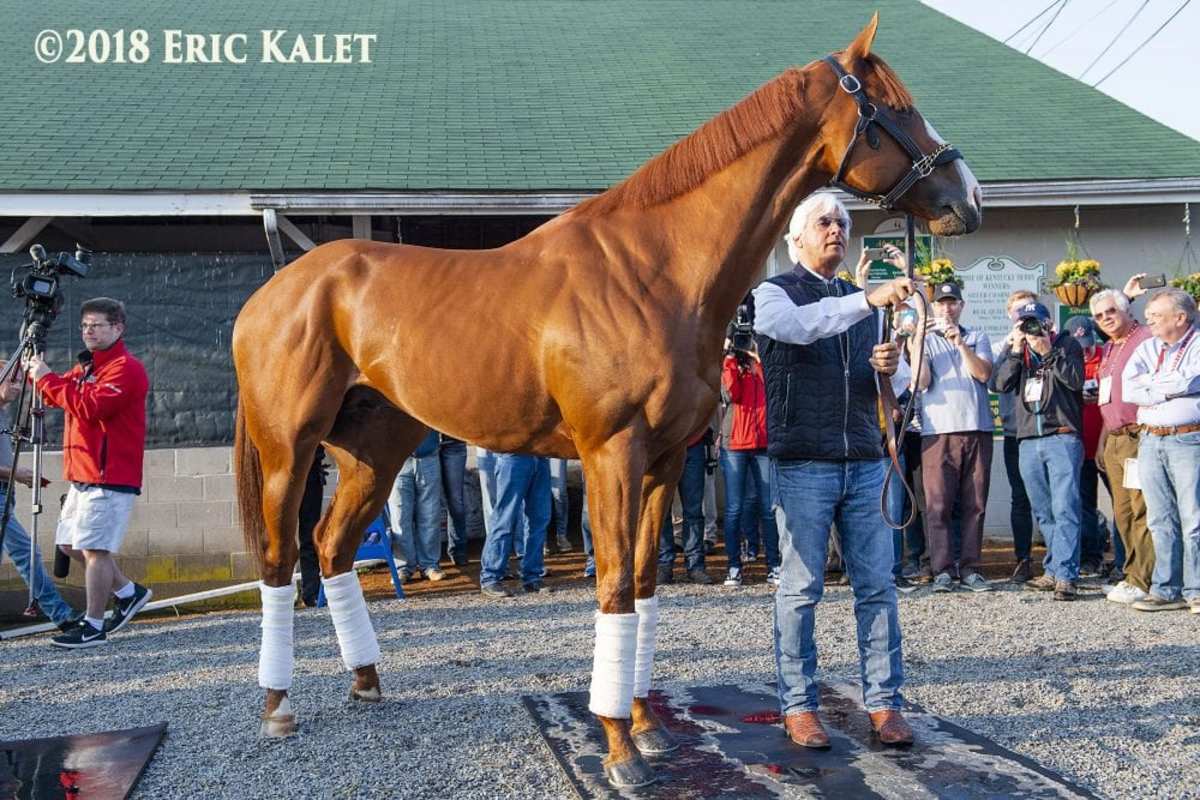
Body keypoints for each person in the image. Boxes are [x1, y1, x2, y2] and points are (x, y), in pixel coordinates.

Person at [753, 192, 919, 749]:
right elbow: (801, 327)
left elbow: (891, 386)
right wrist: (866, 300)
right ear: (796, 237)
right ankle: (799, 706)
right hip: (804, 459)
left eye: (843, 222)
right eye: (824, 221)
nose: (837, 229)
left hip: (865, 459)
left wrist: (890, 368)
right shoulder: (774, 293)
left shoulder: (861, 302)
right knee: (801, 589)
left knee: (878, 587)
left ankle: (885, 702)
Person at [28, 298, 150, 648]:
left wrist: (46, 377)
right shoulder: (86, 367)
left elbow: (90, 406)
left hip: (109, 475)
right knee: (69, 544)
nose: (88, 331)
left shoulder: (126, 369)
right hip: (82, 474)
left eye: (96, 325)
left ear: (118, 328)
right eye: (84, 326)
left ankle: (94, 624)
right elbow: (57, 395)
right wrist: (34, 375)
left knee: (95, 549)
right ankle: (127, 593)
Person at [992, 300, 1085, 600]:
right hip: (1029, 440)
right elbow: (999, 384)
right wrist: (1016, 350)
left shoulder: (1067, 345)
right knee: (1043, 511)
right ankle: (1053, 569)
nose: (1031, 328)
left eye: (1036, 322)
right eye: (1025, 323)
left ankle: (1066, 575)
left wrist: (1047, 352)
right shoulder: (1017, 351)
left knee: (1065, 507)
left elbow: (1074, 380)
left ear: (1049, 324)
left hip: (1062, 436)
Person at [1122, 289, 1200, 614]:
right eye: (1149, 316)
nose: (1150, 321)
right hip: (1150, 440)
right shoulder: (1147, 346)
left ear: (1180, 318)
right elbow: (1129, 388)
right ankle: (1166, 589)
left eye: (1156, 316)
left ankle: (1196, 590)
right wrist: (1167, 388)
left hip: (1188, 440)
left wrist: (1152, 384)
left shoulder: (1197, 344)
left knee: (1193, 518)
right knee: (1159, 518)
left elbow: (1191, 380)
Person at [914, 282, 994, 594]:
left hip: (977, 429)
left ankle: (971, 568)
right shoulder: (925, 340)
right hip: (938, 433)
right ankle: (942, 570)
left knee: (975, 504)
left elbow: (983, 373)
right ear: (934, 307)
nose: (946, 308)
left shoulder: (977, 336)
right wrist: (917, 339)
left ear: (961, 306)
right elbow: (921, 382)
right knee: (938, 505)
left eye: (952, 303)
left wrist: (960, 344)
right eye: (941, 303)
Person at [0, 363, 79, 631]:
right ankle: (61, 614)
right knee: (26, 552)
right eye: (12, 381)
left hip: (5, 494)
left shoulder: (3, 414)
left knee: (25, 553)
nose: (17, 387)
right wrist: (15, 473)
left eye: (19, 381)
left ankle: (61, 614)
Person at [1090, 284, 1154, 604]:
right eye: (1099, 315)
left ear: (1126, 309)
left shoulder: (1145, 338)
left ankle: (1145, 580)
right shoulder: (1109, 348)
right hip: (1114, 438)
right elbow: (1108, 399)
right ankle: (1130, 575)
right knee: (1122, 511)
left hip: (1137, 435)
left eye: (1111, 311)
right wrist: (1103, 442)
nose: (1106, 318)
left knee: (1141, 509)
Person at [719, 327, 779, 587]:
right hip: (735, 442)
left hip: (763, 442)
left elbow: (773, 388)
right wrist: (730, 357)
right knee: (734, 507)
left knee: (768, 508)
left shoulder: (761, 364)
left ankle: (774, 564)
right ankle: (733, 566)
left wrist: (757, 355)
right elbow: (730, 394)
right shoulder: (731, 364)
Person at [989, 289, 1038, 583]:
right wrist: (1014, 345)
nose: (1025, 316)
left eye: (1030, 309)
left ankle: (1061, 560)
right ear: (1010, 315)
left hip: (1045, 431)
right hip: (1015, 433)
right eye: (1019, 311)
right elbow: (996, 383)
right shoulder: (1003, 345)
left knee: (1049, 499)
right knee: (1020, 498)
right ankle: (1023, 559)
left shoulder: (1048, 340)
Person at [1064, 315, 1110, 578]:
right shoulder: (1066, 361)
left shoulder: (1106, 356)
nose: (1085, 351)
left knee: (1123, 504)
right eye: (1079, 347)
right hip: (1080, 447)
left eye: (1088, 345)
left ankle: (1125, 560)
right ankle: (1091, 558)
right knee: (1085, 506)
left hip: (1108, 443)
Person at [478, 453, 551, 597]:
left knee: (539, 520)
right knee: (505, 519)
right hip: (514, 456)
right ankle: (490, 577)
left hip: (540, 457)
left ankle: (532, 576)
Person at [656, 427, 714, 585]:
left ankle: (695, 566)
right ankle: (664, 565)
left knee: (694, 511)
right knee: (662, 511)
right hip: (663, 448)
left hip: (693, 445)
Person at [388, 430, 446, 582]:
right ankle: (403, 567)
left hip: (428, 455)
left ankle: (430, 565)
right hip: (397, 458)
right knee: (399, 517)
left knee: (430, 514)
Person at [296, 445, 327, 606]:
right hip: (295, 469)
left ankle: (311, 591)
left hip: (311, 470)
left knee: (309, 536)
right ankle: (308, 591)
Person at [438, 434, 469, 566]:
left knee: (456, 502)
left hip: (454, 442)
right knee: (429, 504)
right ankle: (428, 560)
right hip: (427, 447)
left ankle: (458, 550)